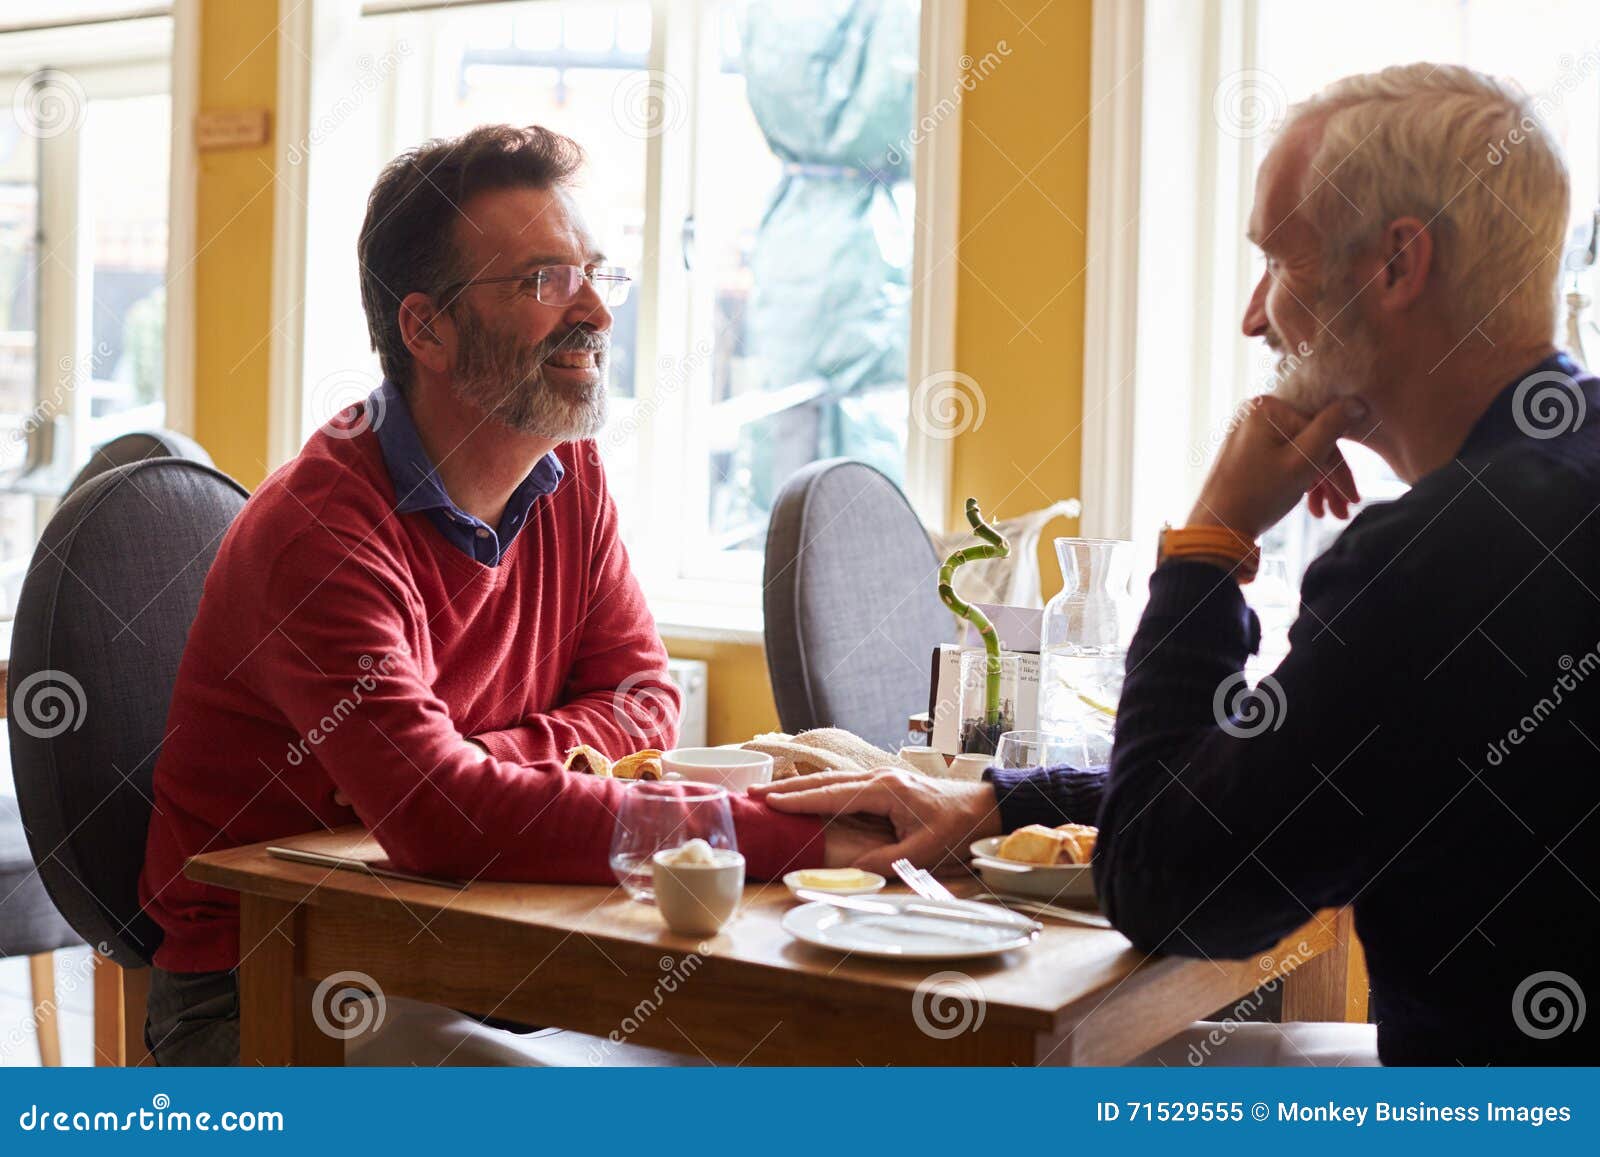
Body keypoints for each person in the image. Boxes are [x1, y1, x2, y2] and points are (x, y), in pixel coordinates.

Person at [754, 63, 1600, 1065]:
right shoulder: (1549, 492)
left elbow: (1170, 886)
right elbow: (1275, 790)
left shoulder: (1438, 561)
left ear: (1395, 266)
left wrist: (1208, 543)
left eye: (1278, 264)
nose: (1253, 318)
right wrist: (1008, 802)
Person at [139, 124, 877, 1065]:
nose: (597, 315)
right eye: (542, 282)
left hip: (480, 947)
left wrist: (483, 764)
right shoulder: (318, 531)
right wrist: (800, 840)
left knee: (772, 1055)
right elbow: (443, 817)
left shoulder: (570, 473)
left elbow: (646, 702)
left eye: (593, 274)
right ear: (426, 328)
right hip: (270, 989)